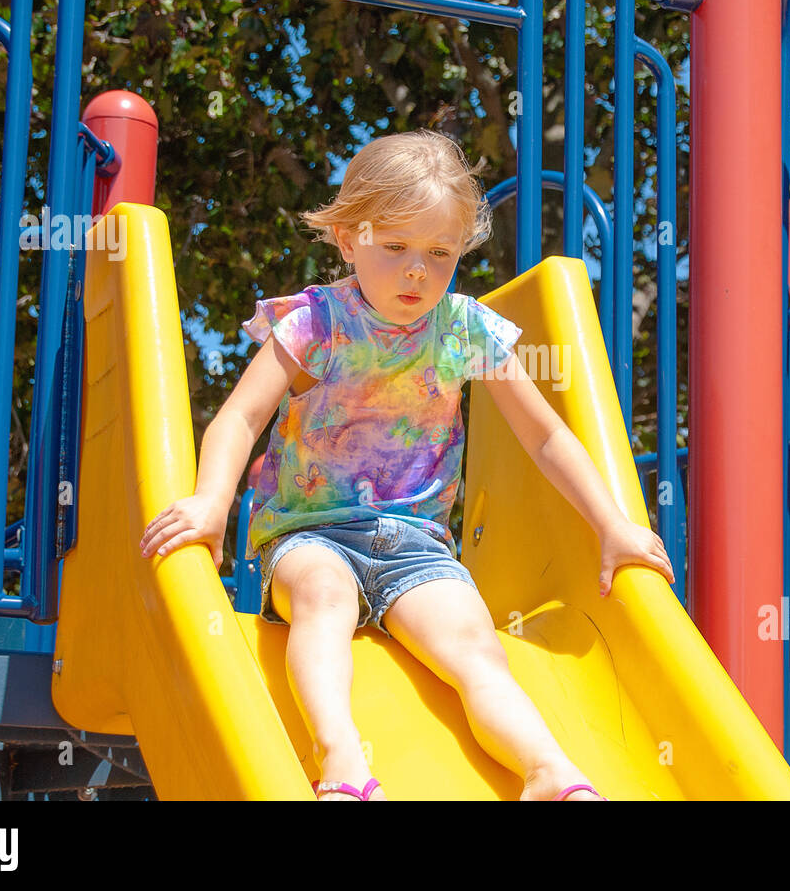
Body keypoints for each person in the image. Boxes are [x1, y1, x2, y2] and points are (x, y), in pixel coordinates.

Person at [139, 130, 675, 801]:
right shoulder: (316, 323)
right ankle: (338, 759)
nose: (416, 272)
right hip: (310, 535)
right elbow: (241, 418)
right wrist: (211, 503)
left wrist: (614, 525)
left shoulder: (465, 330)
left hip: (417, 548)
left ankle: (549, 772)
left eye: (438, 254)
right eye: (394, 248)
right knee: (324, 598)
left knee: (475, 647)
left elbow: (545, 438)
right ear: (347, 239)